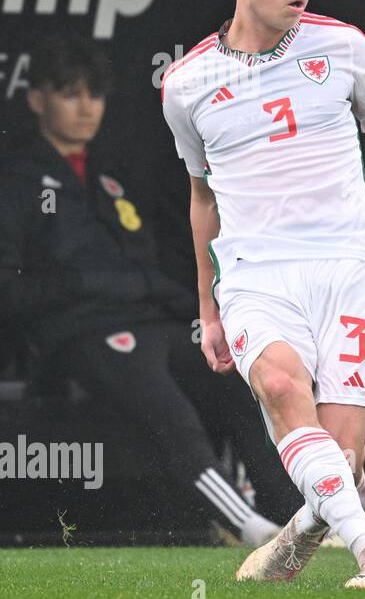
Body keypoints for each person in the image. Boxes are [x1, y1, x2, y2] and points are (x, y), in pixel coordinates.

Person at [161, 0, 365, 588]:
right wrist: (210, 305)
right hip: (256, 275)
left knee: (340, 461)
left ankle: (298, 536)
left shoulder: (343, 46)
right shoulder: (186, 83)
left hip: (348, 266)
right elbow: (202, 197)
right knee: (282, 385)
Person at [0, 34, 287, 544]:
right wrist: (84, 289)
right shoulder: (16, 180)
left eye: (95, 94)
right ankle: (248, 528)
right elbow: (12, 289)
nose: (86, 107)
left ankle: (292, 518)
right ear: (36, 98)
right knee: (168, 409)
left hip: (152, 321)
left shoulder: (113, 178)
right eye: (69, 93)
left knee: (238, 383)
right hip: (79, 335)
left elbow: (149, 266)